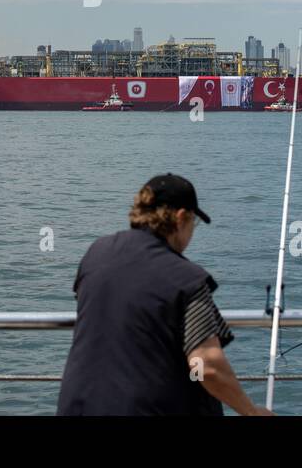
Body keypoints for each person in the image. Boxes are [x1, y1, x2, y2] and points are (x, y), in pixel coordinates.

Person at [57, 174, 270, 416]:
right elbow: (206, 365)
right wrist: (251, 412)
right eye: (193, 224)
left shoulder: (95, 255)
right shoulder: (186, 279)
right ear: (181, 218)